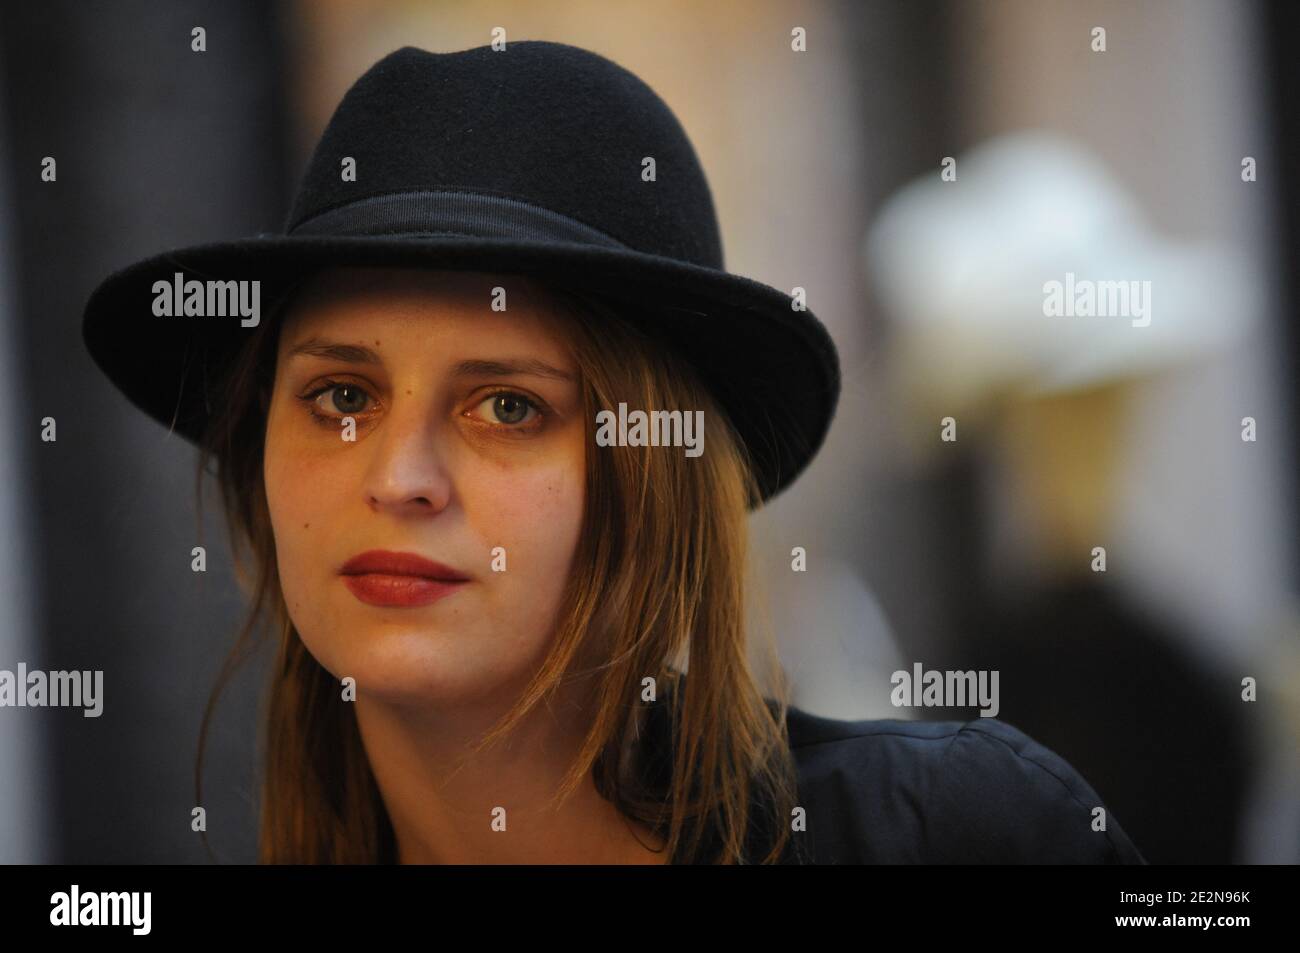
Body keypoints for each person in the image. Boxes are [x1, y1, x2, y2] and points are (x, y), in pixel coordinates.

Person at [81, 41, 1145, 864]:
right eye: (341, 394)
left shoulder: (957, 836)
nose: (397, 476)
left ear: (657, 478)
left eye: (506, 406)